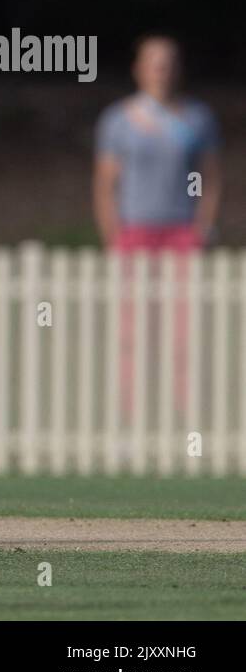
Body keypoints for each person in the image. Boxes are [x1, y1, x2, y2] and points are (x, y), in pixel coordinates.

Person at [93, 34, 222, 417]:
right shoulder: (118, 121)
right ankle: (129, 410)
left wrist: (203, 225)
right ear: (138, 68)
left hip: (181, 232)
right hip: (134, 231)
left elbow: (209, 178)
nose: (161, 70)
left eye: (168, 62)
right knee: (131, 330)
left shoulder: (198, 119)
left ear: (178, 69)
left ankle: (184, 410)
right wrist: (112, 234)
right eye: (154, 62)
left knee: (183, 330)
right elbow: (105, 185)